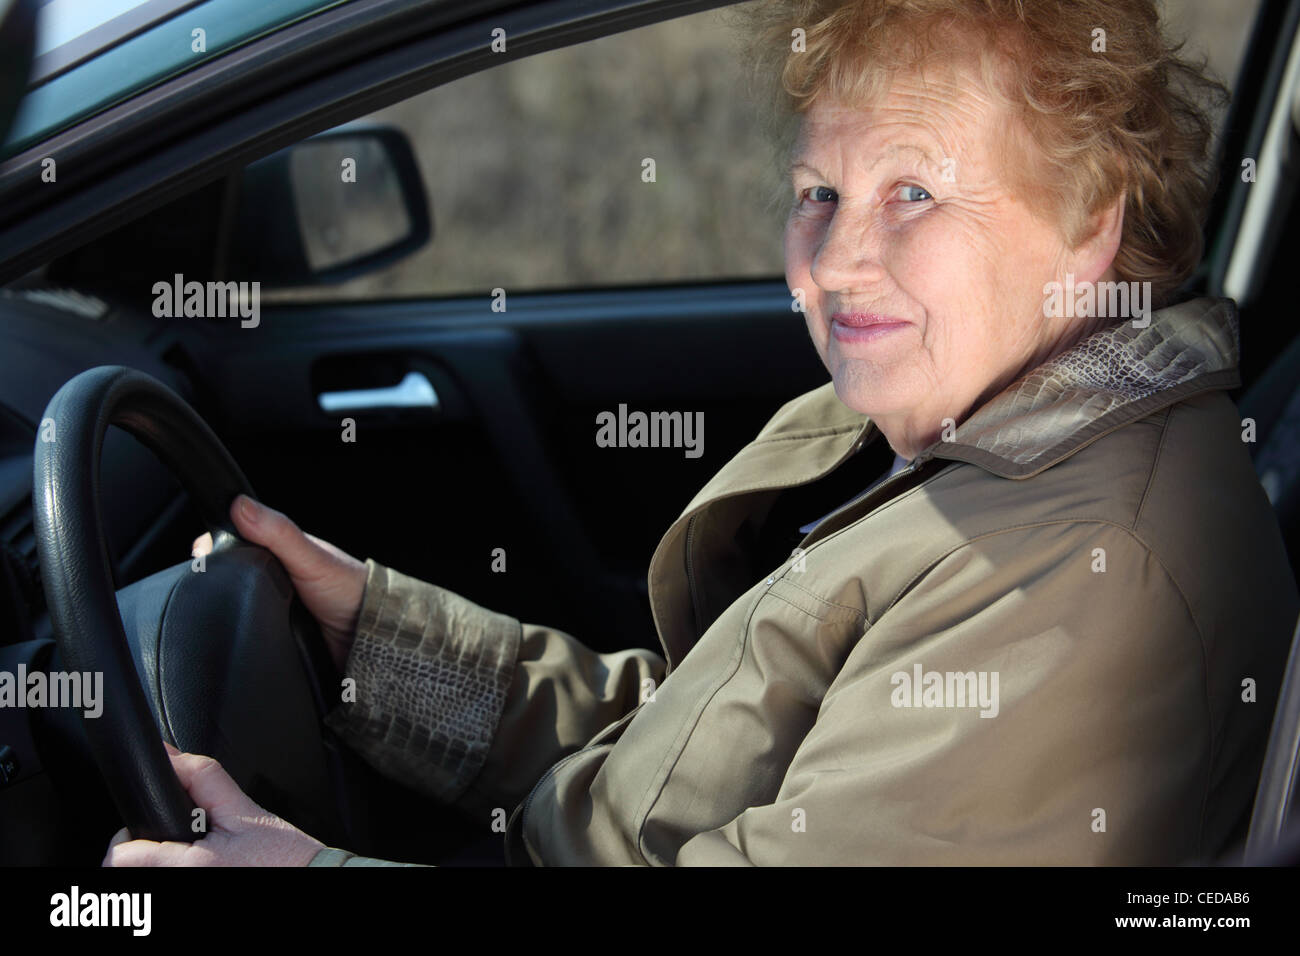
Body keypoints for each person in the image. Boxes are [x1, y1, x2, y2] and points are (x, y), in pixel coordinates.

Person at [105, 0, 1299, 866]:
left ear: (1090, 223)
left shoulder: (1074, 582)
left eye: (914, 194)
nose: (832, 261)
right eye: (816, 193)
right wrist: (378, 643)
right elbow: (685, 745)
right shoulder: (974, 434)